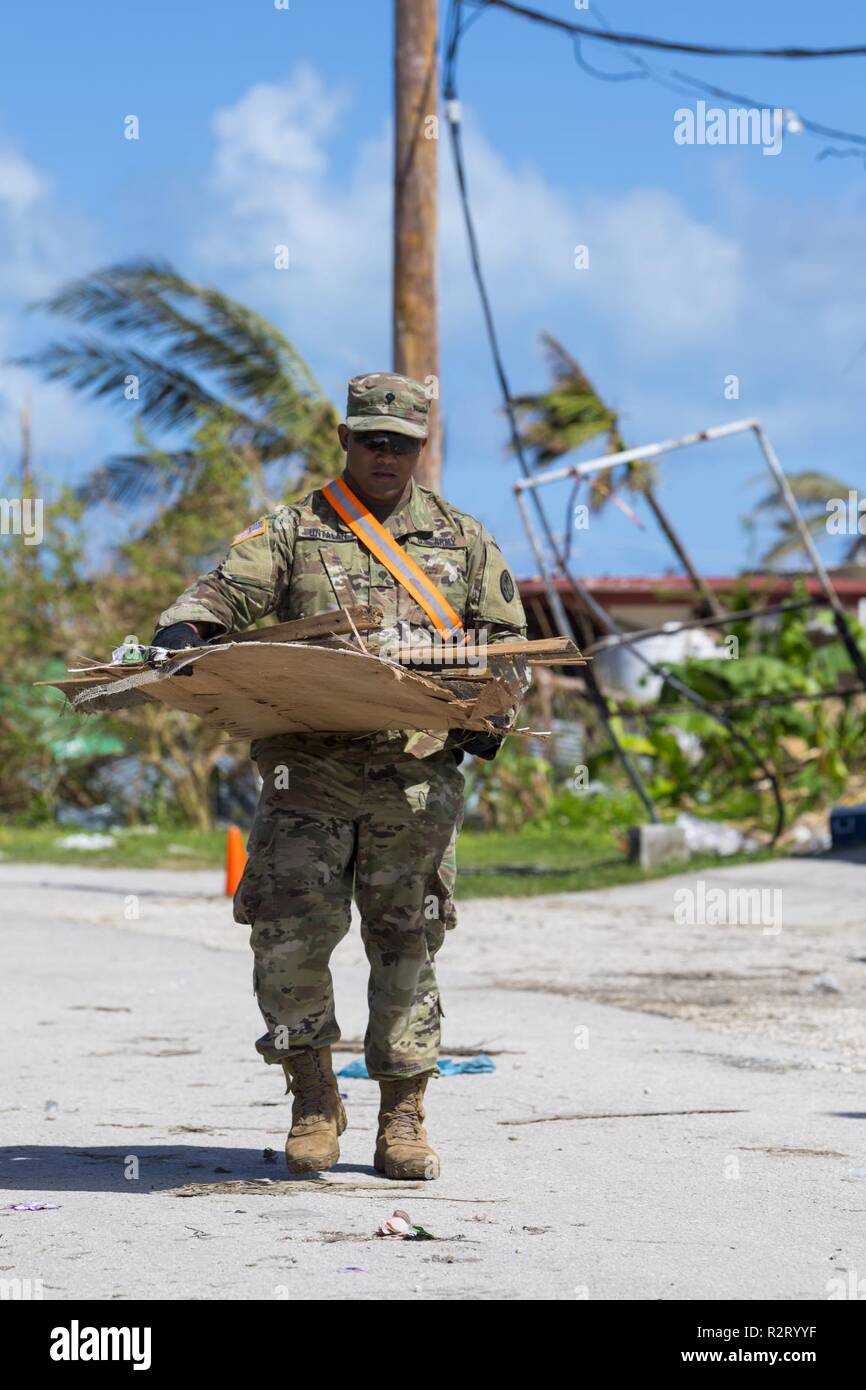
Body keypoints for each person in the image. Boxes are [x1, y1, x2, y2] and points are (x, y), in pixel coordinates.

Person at [152, 372, 528, 1179]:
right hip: (305, 780)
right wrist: (183, 628)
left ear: (422, 447)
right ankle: (314, 1099)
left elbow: (506, 646)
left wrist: (489, 712)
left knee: (407, 947)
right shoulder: (293, 529)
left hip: (414, 781)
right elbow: (223, 594)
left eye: (401, 441)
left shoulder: (463, 539)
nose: (384, 454)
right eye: (370, 439)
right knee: (286, 941)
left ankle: (403, 1115)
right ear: (345, 440)